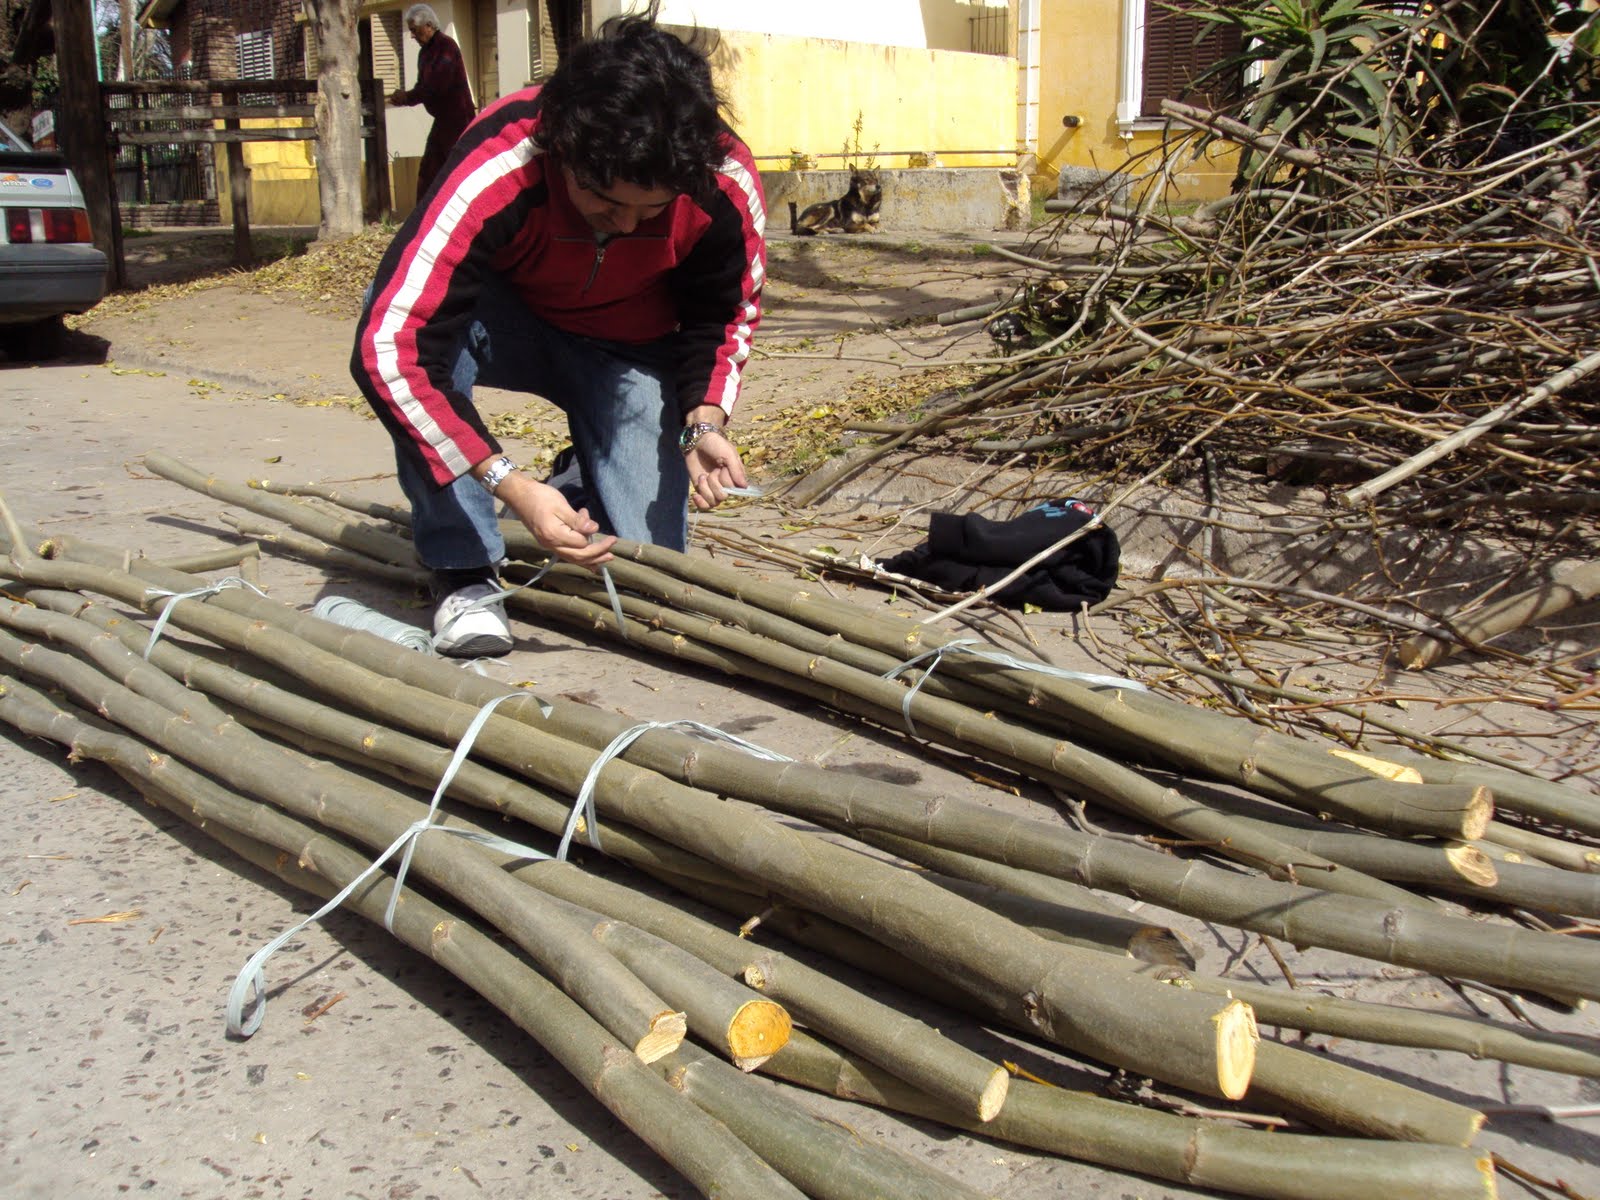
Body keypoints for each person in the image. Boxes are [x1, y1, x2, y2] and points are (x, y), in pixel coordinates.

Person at [352, 10, 765, 658]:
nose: (627, 226)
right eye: (606, 204)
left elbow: (725, 315)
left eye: (649, 209)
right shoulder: (505, 153)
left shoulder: (720, 177)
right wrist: (509, 484)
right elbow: (392, 346)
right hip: (503, 326)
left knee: (648, 574)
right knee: (412, 350)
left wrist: (702, 422)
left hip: (627, 344)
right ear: (562, 149)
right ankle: (464, 573)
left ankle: (577, 481)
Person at [387, 4, 477, 200]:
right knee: (429, 173)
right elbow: (424, 85)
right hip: (443, 121)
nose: (412, 36)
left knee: (459, 172)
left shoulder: (447, 47)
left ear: (428, 26)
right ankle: (424, 219)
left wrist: (407, 97)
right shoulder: (425, 53)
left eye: (414, 30)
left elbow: (436, 86)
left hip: (459, 120)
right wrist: (407, 97)